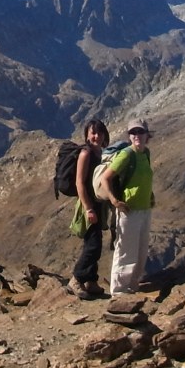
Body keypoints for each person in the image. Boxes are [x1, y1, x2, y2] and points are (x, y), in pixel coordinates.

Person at [105, 119, 154, 295]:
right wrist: (114, 201)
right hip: (129, 211)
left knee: (141, 251)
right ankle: (118, 292)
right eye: (133, 133)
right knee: (126, 252)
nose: (137, 136)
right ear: (129, 136)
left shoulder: (145, 153)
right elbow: (106, 178)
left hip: (145, 209)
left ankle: (131, 288)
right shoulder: (126, 154)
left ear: (147, 135)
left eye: (140, 132)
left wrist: (150, 197)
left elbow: (144, 179)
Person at [67, 119, 110, 299]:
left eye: (99, 133)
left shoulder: (100, 153)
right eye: (93, 133)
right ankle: (76, 279)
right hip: (89, 205)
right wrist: (88, 208)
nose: (96, 136)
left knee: (94, 241)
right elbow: (79, 182)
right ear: (86, 135)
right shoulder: (86, 153)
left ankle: (91, 281)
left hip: (98, 204)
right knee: (94, 245)